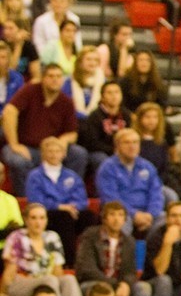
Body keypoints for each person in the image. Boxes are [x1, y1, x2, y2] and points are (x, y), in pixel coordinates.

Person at [1, 63, 88, 195]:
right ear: (43, 78)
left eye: (58, 76)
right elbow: (9, 111)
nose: (55, 79)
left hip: (51, 148)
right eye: (51, 76)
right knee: (18, 160)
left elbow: (72, 133)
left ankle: (70, 194)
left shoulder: (66, 101)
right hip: (26, 147)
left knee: (79, 154)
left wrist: (61, 142)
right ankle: (26, 200)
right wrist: (14, 144)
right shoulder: (30, 91)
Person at [76, 202, 153, 296]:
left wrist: (125, 285)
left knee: (143, 288)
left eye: (120, 215)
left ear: (125, 219)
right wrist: (116, 285)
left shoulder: (129, 241)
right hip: (94, 283)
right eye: (112, 215)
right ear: (104, 218)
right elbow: (87, 269)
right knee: (93, 288)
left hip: (118, 285)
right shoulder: (90, 236)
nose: (116, 219)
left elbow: (131, 272)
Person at [2, 203, 85, 296]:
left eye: (42, 218)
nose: (38, 222)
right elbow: (9, 273)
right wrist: (2, 295)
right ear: (26, 219)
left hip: (46, 280)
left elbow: (58, 272)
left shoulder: (52, 237)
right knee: (49, 281)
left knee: (69, 280)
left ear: (46, 220)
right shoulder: (17, 237)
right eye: (34, 218)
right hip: (20, 282)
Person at [25, 136, 98, 264]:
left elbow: (82, 199)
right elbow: (35, 200)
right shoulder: (35, 176)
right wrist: (59, 206)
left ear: (63, 154)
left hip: (71, 211)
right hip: (49, 213)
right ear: (43, 154)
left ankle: (90, 260)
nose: (54, 155)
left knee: (89, 216)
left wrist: (72, 207)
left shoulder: (71, 176)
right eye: (50, 151)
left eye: (57, 151)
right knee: (64, 218)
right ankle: (69, 262)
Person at [96, 128, 165, 237]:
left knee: (166, 220)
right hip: (121, 212)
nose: (132, 146)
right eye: (127, 142)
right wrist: (134, 214)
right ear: (117, 146)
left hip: (147, 213)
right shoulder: (107, 168)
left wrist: (150, 215)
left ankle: (154, 253)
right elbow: (110, 198)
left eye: (135, 142)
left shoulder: (147, 166)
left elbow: (156, 193)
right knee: (119, 221)